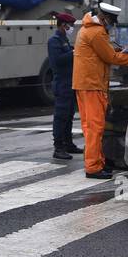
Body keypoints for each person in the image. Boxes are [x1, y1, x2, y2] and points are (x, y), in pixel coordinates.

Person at [72, 2, 128, 179]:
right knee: (95, 128)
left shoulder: (87, 29)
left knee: (89, 127)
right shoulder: (96, 32)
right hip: (92, 85)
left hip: (84, 84)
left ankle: (97, 162)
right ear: (104, 18)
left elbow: (101, 52)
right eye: (111, 21)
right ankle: (93, 167)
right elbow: (110, 57)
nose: (112, 25)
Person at [48, 11, 81, 160]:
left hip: (70, 82)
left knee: (69, 116)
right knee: (61, 116)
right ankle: (58, 147)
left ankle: (69, 144)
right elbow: (58, 61)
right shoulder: (54, 41)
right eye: (70, 26)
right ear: (63, 25)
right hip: (62, 83)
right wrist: (74, 52)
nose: (72, 28)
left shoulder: (64, 40)